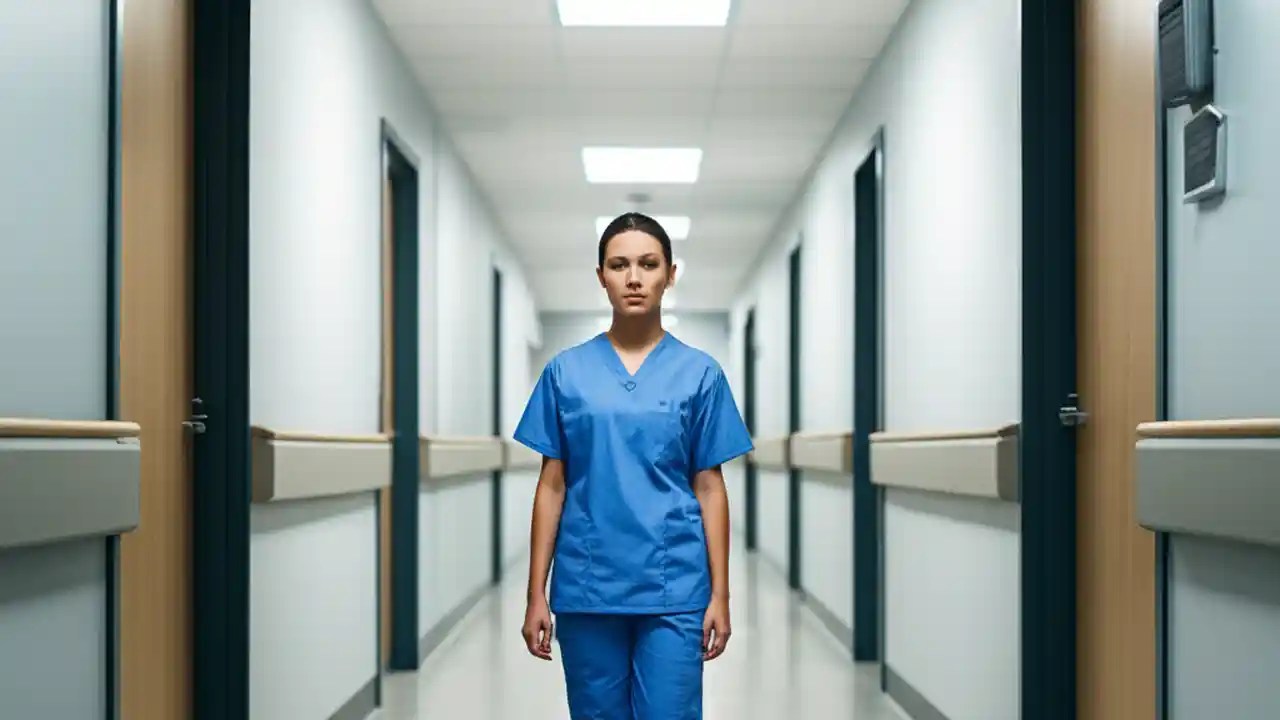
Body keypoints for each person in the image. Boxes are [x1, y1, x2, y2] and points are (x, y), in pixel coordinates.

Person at [514, 212, 754, 719]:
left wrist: (721, 594)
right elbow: (551, 485)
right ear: (600, 275)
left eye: (648, 264)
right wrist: (536, 592)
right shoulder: (566, 373)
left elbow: (709, 487)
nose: (634, 277)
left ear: (670, 273)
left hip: (675, 589)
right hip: (587, 586)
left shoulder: (700, 374)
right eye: (619, 265)